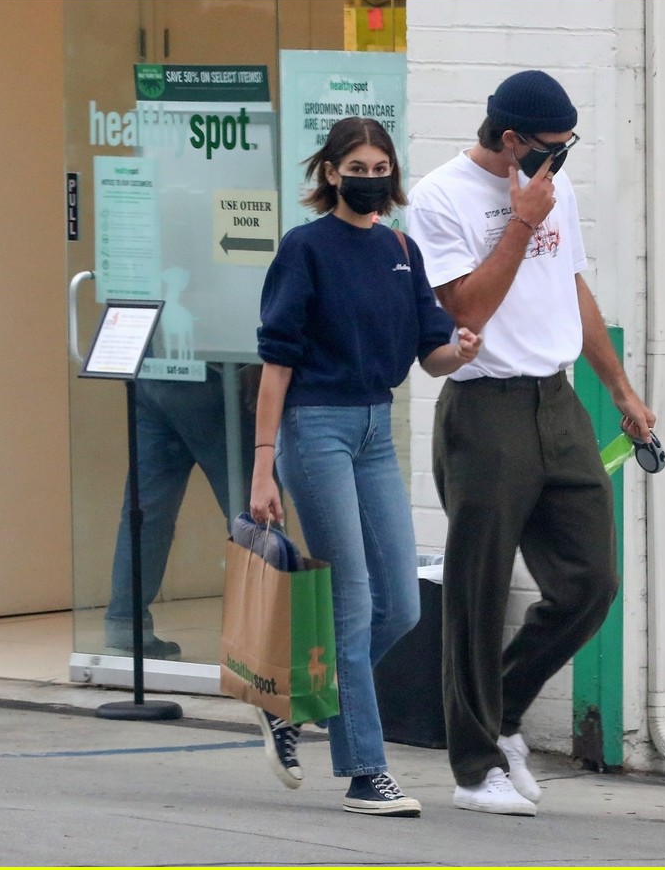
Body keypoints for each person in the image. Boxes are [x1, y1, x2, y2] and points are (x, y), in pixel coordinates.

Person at [407, 70, 655, 816]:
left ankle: (504, 711)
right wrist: (518, 220)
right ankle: (473, 764)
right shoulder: (438, 197)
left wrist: (618, 390)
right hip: (484, 406)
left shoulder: (554, 188)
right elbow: (464, 309)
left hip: (557, 395)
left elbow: (571, 284)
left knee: (591, 581)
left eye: (567, 147)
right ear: (510, 139)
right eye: (550, 148)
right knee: (478, 592)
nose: (561, 161)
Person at [248, 117, 481, 818]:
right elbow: (277, 361)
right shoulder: (305, 249)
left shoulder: (401, 250)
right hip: (315, 427)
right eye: (359, 163)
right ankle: (364, 770)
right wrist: (264, 466)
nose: (372, 175)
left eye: (383, 164)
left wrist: (460, 352)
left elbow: (431, 351)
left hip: (377, 427)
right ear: (331, 174)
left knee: (401, 605)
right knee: (351, 603)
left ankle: (291, 701)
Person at [103, 368, 256, 660]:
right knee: (253, 514)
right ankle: (271, 636)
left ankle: (125, 628)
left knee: (146, 511)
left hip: (152, 374)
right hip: (210, 374)